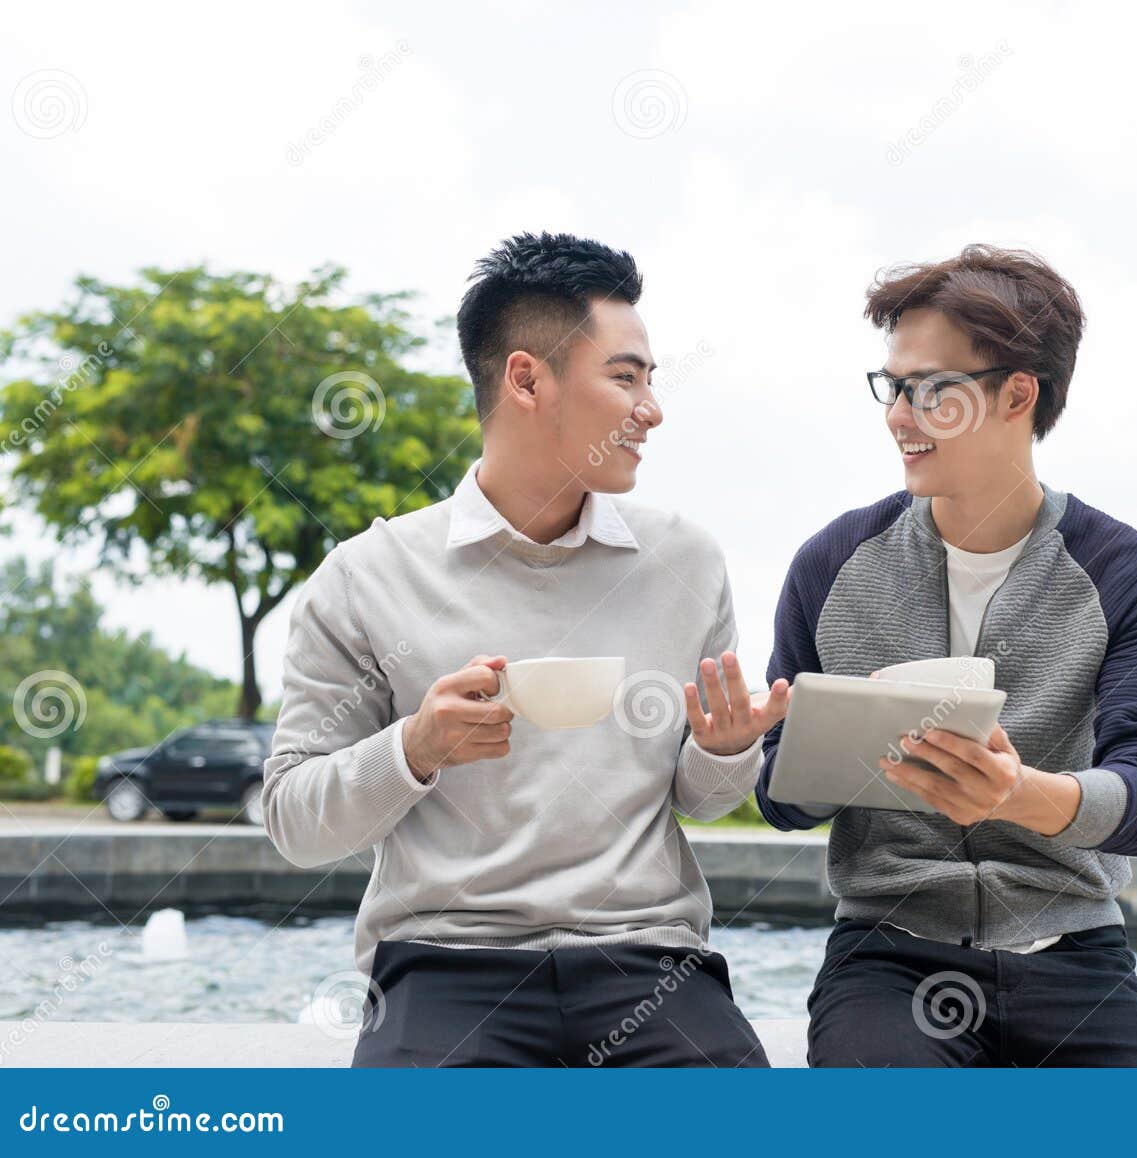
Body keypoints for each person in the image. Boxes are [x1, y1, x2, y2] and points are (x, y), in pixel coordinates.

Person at [264, 231, 787, 1067]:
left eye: (650, 381)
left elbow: (698, 797)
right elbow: (293, 820)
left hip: (646, 957)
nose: (652, 409)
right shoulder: (366, 576)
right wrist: (415, 748)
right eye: (626, 378)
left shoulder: (684, 561)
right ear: (526, 378)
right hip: (443, 965)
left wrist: (728, 752)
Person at [756, 244, 1137, 1067]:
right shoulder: (831, 564)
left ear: (1017, 394)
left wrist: (1022, 796)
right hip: (886, 954)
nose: (899, 414)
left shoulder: (1129, 578)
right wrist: (779, 756)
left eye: (930, 390)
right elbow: (781, 800)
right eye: (892, 387)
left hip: (1075, 953)